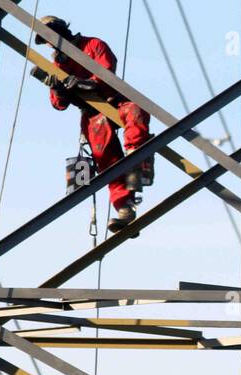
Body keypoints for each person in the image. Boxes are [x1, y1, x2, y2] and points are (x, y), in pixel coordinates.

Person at [34, 15, 152, 231]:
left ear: (61, 30)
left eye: (50, 35)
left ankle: (137, 169)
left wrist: (87, 83)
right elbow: (59, 105)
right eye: (46, 39)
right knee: (106, 158)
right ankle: (124, 208)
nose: (50, 42)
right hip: (92, 113)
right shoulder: (57, 65)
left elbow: (107, 72)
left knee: (135, 114)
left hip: (115, 100)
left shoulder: (93, 45)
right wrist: (58, 88)